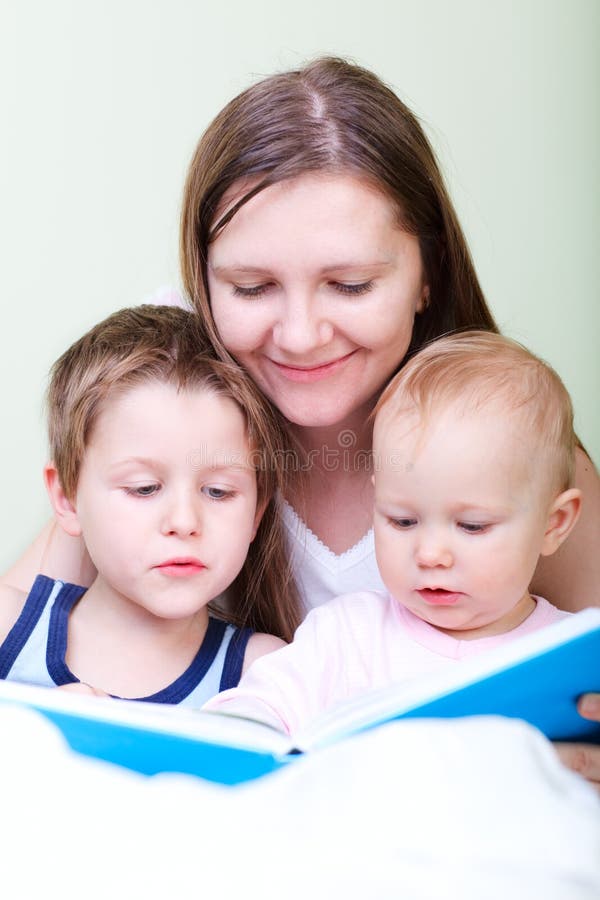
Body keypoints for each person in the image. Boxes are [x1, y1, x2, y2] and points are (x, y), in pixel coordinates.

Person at [4, 57, 600, 774]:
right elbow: (36, 600)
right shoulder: (188, 397)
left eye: (349, 285)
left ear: (427, 274)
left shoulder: (502, 441)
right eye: (252, 288)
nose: (300, 335)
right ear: (204, 281)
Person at [203, 332, 586, 733]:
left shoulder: (571, 656)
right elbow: (259, 704)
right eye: (402, 521)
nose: (431, 554)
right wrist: (246, 725)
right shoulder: (347, 635)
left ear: (554, 524)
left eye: (472, 526)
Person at [0, 305, 301, 704]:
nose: (184, 522)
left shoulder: (262, 675)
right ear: (67, 498)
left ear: (257, 512)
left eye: (218, 492)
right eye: (144, 488)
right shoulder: (8, 625)